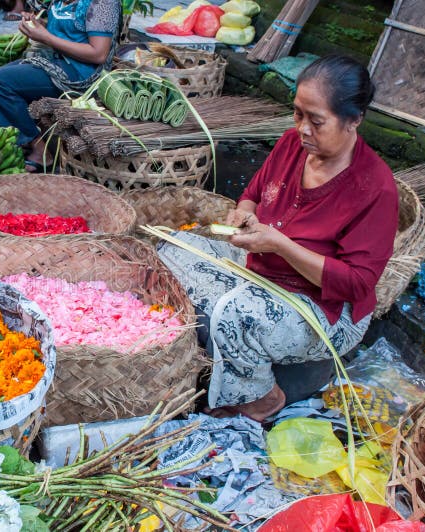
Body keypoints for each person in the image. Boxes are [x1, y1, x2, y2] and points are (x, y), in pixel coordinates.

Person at [158, 55, 399, 422]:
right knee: (171, 247)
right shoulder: (292, 145)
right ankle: (225, 361)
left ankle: (262, 396)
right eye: (298, 114)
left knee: (234, 315)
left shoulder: (373, 187)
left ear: (354, 120)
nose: (303, 129)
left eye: (316, 121)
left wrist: (281, 245)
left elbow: (356, 283)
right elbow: (253, 193)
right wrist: (243, 214)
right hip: (263, 267)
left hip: (325, 307)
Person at [0, 0, 120, 172]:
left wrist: (45, 37)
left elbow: (98, 54)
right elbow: (65, 31)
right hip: (53, 60)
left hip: (80, 75)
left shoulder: (103, 3)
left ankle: (41, 151)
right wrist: (37, 25)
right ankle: (25, 138)